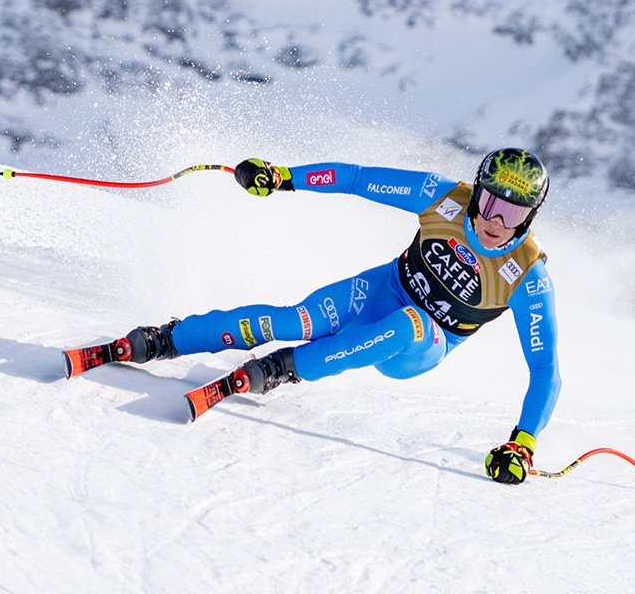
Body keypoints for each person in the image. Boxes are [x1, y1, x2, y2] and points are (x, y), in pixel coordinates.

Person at [116, 148, 560, 486]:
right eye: (489, 202)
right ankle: (171, 338)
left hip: (423, 343)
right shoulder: (445, 196)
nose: (496, 220)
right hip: (379, 290)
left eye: (513, 212)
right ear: (477, 190)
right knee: (292, 321)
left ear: (530, 217)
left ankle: (284, 369)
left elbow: (545, 370)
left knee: (409, 323)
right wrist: (284, 178)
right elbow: (357, 179)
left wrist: (522, 443)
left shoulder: (527, 274)